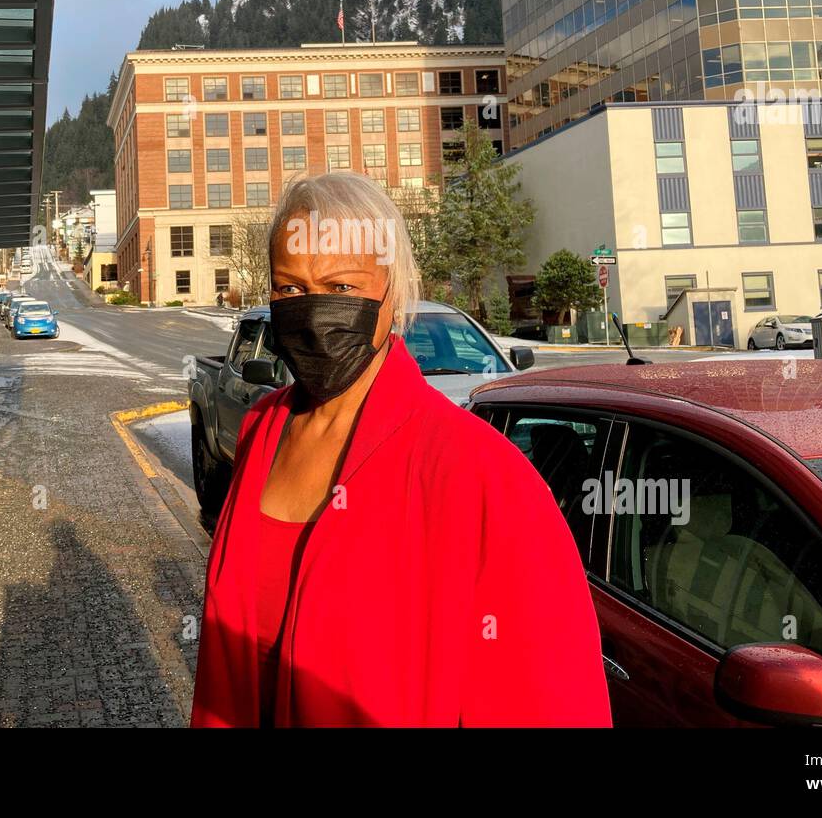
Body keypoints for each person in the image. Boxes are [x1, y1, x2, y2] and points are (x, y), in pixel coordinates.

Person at [190, 172, 610, 728]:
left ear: (393, 292)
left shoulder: (480, 476)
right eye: (290, 289)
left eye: (340, 288)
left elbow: (548, 703)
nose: (313, 312)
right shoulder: (263, 432)